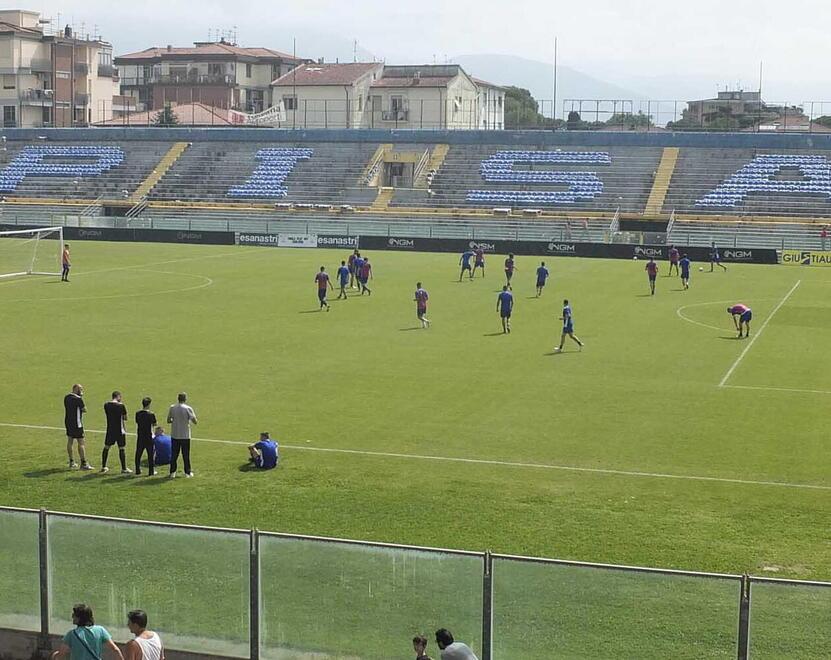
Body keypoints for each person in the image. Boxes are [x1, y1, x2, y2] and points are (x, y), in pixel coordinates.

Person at [51, 603, 124, 660]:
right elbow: (115, 649)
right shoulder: (101, 630)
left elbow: (61, 654)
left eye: (74, 615)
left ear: (80, 618)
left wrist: (55, 656)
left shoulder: (71, 634)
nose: (72, 617)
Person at [167, 392, 197, 478]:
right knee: (186, 454)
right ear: (185, 399)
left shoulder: (172, 407)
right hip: (185, 435)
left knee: (174, 455)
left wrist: (175, 421)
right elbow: (195, 421)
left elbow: (169, 420)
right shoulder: (188, 408)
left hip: (175, 434)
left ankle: (172, 472)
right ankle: (187, 472)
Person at [64, 383, 92, 470]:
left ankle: (71, 461)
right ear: (76, 389)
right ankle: (83, 463)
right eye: (80, 389)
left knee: (70, 441)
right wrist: (81, 398)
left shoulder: (67, 397)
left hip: (68, 422)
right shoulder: (78, 399)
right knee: (81, 442)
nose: (82, 391)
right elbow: (84, 410)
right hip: (77, 424)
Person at [102, 391, 130, 474]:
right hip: (120, 430)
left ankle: (103, 466)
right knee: (121, 448)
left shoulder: (106, 405)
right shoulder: (121, 405)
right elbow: (125, 418)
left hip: (110, 429)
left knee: (107, 447)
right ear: (118, 396)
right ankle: (124, 468)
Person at [135, 397, 157, 476]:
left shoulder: (138, 413)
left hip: (140, 435)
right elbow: (154, 424)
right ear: (149, 404)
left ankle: (137, 470)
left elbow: (137, 422)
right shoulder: (151, 414)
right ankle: (151, 471)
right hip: (149, 436)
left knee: (138, 453)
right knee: (150, 454)